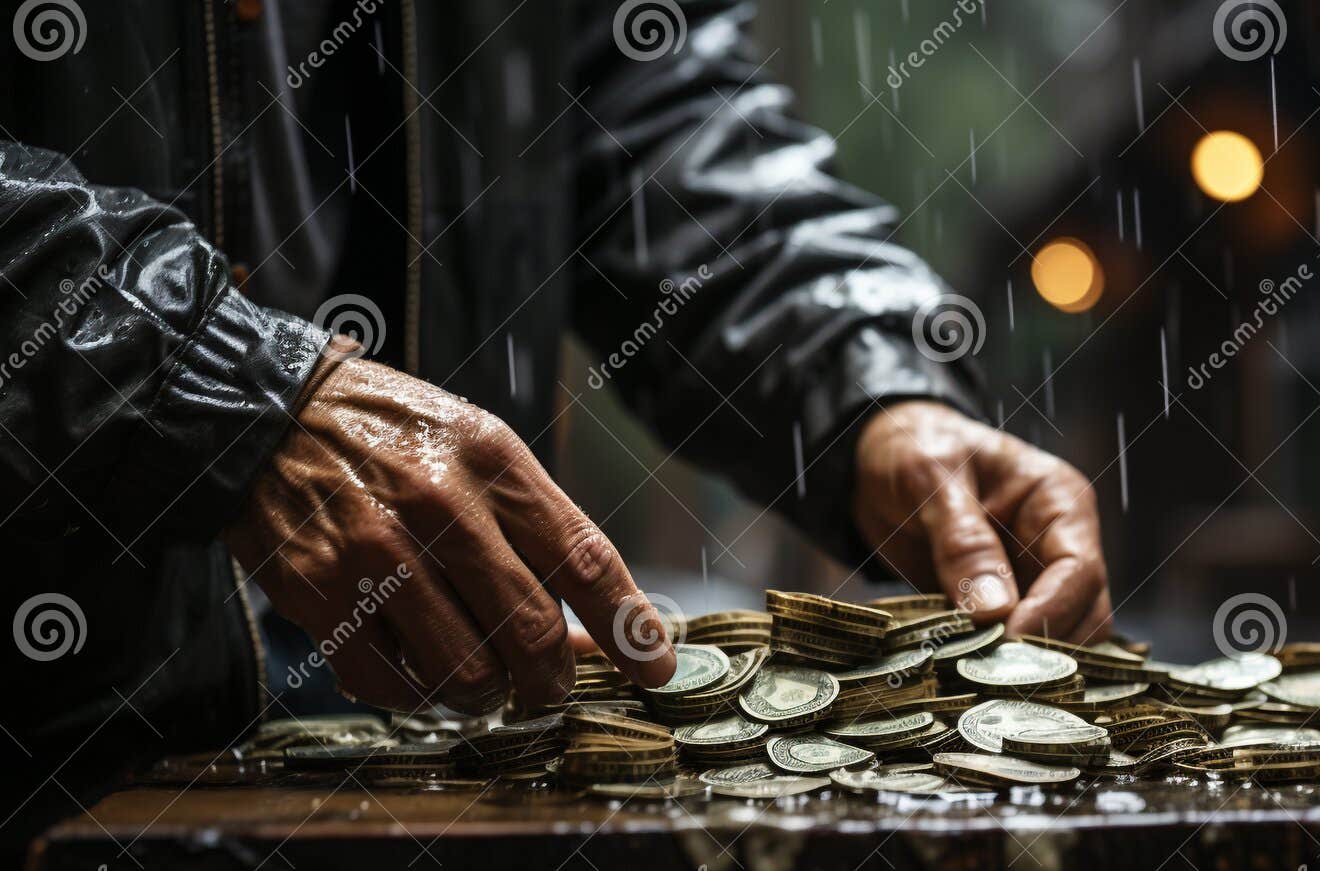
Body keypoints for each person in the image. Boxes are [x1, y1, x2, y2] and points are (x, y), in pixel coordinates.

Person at [0, 1, 1108, 780]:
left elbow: (651, 96)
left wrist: (873, 381)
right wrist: (214, 381)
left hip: (454, 722)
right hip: (53, 754)